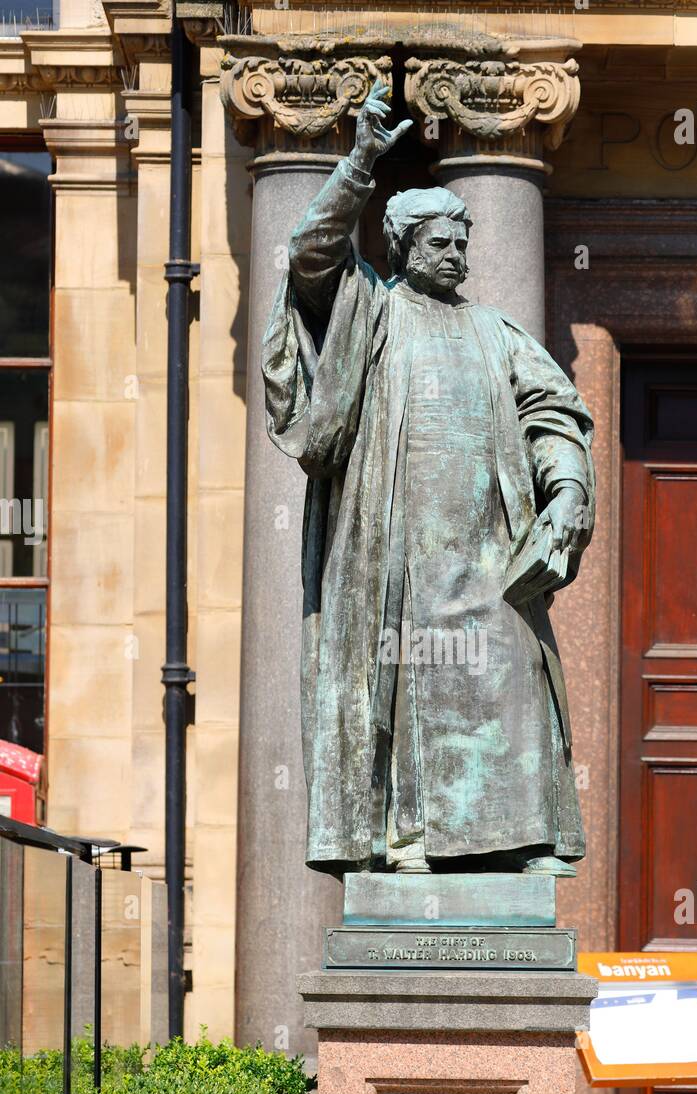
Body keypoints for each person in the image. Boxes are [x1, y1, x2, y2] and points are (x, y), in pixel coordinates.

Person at [263, 80, 595, 877]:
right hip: (396, 554)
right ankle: (400, 838)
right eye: (440, 245)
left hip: (490, 557)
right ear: (404, 248)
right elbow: (310, 256)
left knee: (512, 684)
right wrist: (360, 163)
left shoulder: (495, 332)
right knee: (404, 692)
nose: (456, 257)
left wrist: (570, 490)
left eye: (462, 246)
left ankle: (522, 841)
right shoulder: (370, 311)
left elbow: (554, 411)